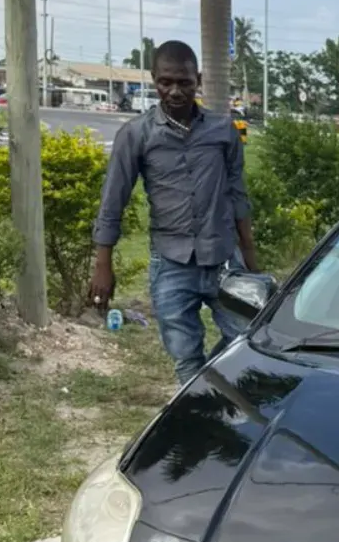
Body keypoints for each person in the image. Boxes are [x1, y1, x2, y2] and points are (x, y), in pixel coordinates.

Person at [88, 39, 259, 389]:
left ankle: (212, 388)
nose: (175, 91)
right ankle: (201, 416)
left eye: (184, 82)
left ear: (198, 79)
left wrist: (251, 258)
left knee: (248, 342)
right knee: (184, 357)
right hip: (171, 263)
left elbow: (237, 195)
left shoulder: (222, 130)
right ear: (154, 80)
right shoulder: (136, 134)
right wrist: (102, 265)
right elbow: (112, 202)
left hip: (224, 257)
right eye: (166, 82)